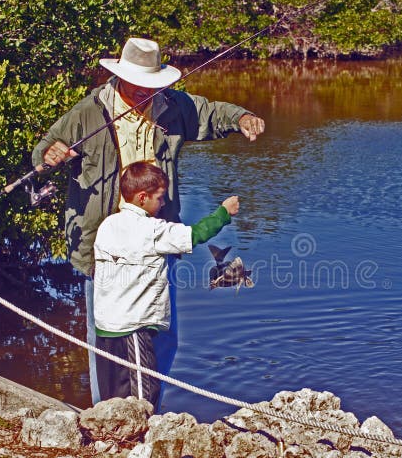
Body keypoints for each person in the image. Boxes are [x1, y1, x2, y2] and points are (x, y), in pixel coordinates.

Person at [31, 37, 265, 406]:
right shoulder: (89, 111)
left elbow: (210, 113)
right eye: (138, 85)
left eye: (152, 86)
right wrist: (51, 154)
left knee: (161, 327)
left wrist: (242, 118)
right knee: (106, 332)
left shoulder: (172, 106)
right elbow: (45, 150)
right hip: (104, 238)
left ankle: (149, 406)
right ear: (119, 77)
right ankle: (105, 410)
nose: (145, 92)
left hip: (155, 233)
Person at [92, 161, 239, 406]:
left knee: (112, 401)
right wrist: (223, 213)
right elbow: (195, 235)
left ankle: (110, 441)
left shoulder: (107, 225)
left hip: (105, 330)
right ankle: (137, 443)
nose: (163, 204)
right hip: (133, 331)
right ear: (141, 197)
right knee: (143, 400)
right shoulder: (152, 230)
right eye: (159, 198)